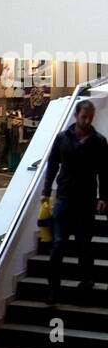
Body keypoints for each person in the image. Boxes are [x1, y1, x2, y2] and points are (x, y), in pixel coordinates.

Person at [43, 100, 108, 305]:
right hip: (64, 198)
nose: (87, 120)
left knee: (84, 244)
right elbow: (52, 165)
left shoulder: (99, 141)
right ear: (76, 116)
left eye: (90, 117)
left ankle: (86, 281)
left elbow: (105, 172)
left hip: (87, 200)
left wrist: (104, 197)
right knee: (59, 245)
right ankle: (53, 288)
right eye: (84, 117)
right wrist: (46, 191)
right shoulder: (62, 138)